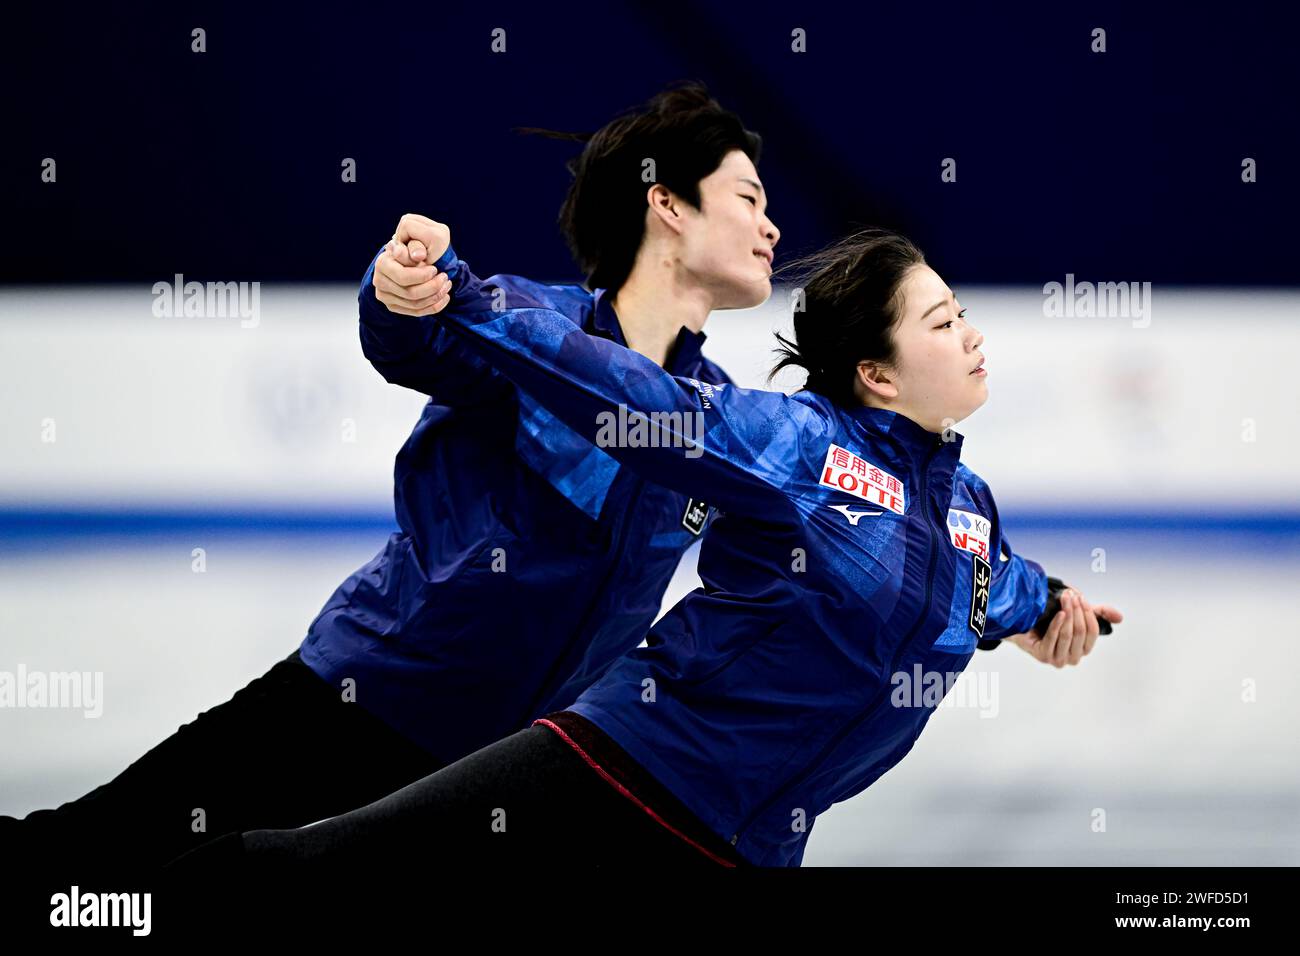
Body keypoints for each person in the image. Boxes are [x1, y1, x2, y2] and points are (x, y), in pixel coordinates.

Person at [0, 82, 783, 871]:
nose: (770, 224)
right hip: (369, 692)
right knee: (95, 851)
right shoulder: (530, 323)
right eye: (747, 197)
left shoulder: (713, 413)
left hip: (513, 764)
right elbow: (417, 343)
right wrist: (400, 289)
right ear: (668, 206)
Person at [173, 225, 1123, 872]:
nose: (971, 335)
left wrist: (1047, 612)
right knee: (319, 874)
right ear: (876, 373)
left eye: (962, 314)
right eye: (943, 320)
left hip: (744, 850)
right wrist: (467, 302)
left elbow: (996, 585)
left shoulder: (968, 511)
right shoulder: (801, 444)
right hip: (617, 774)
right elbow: (640, 402)